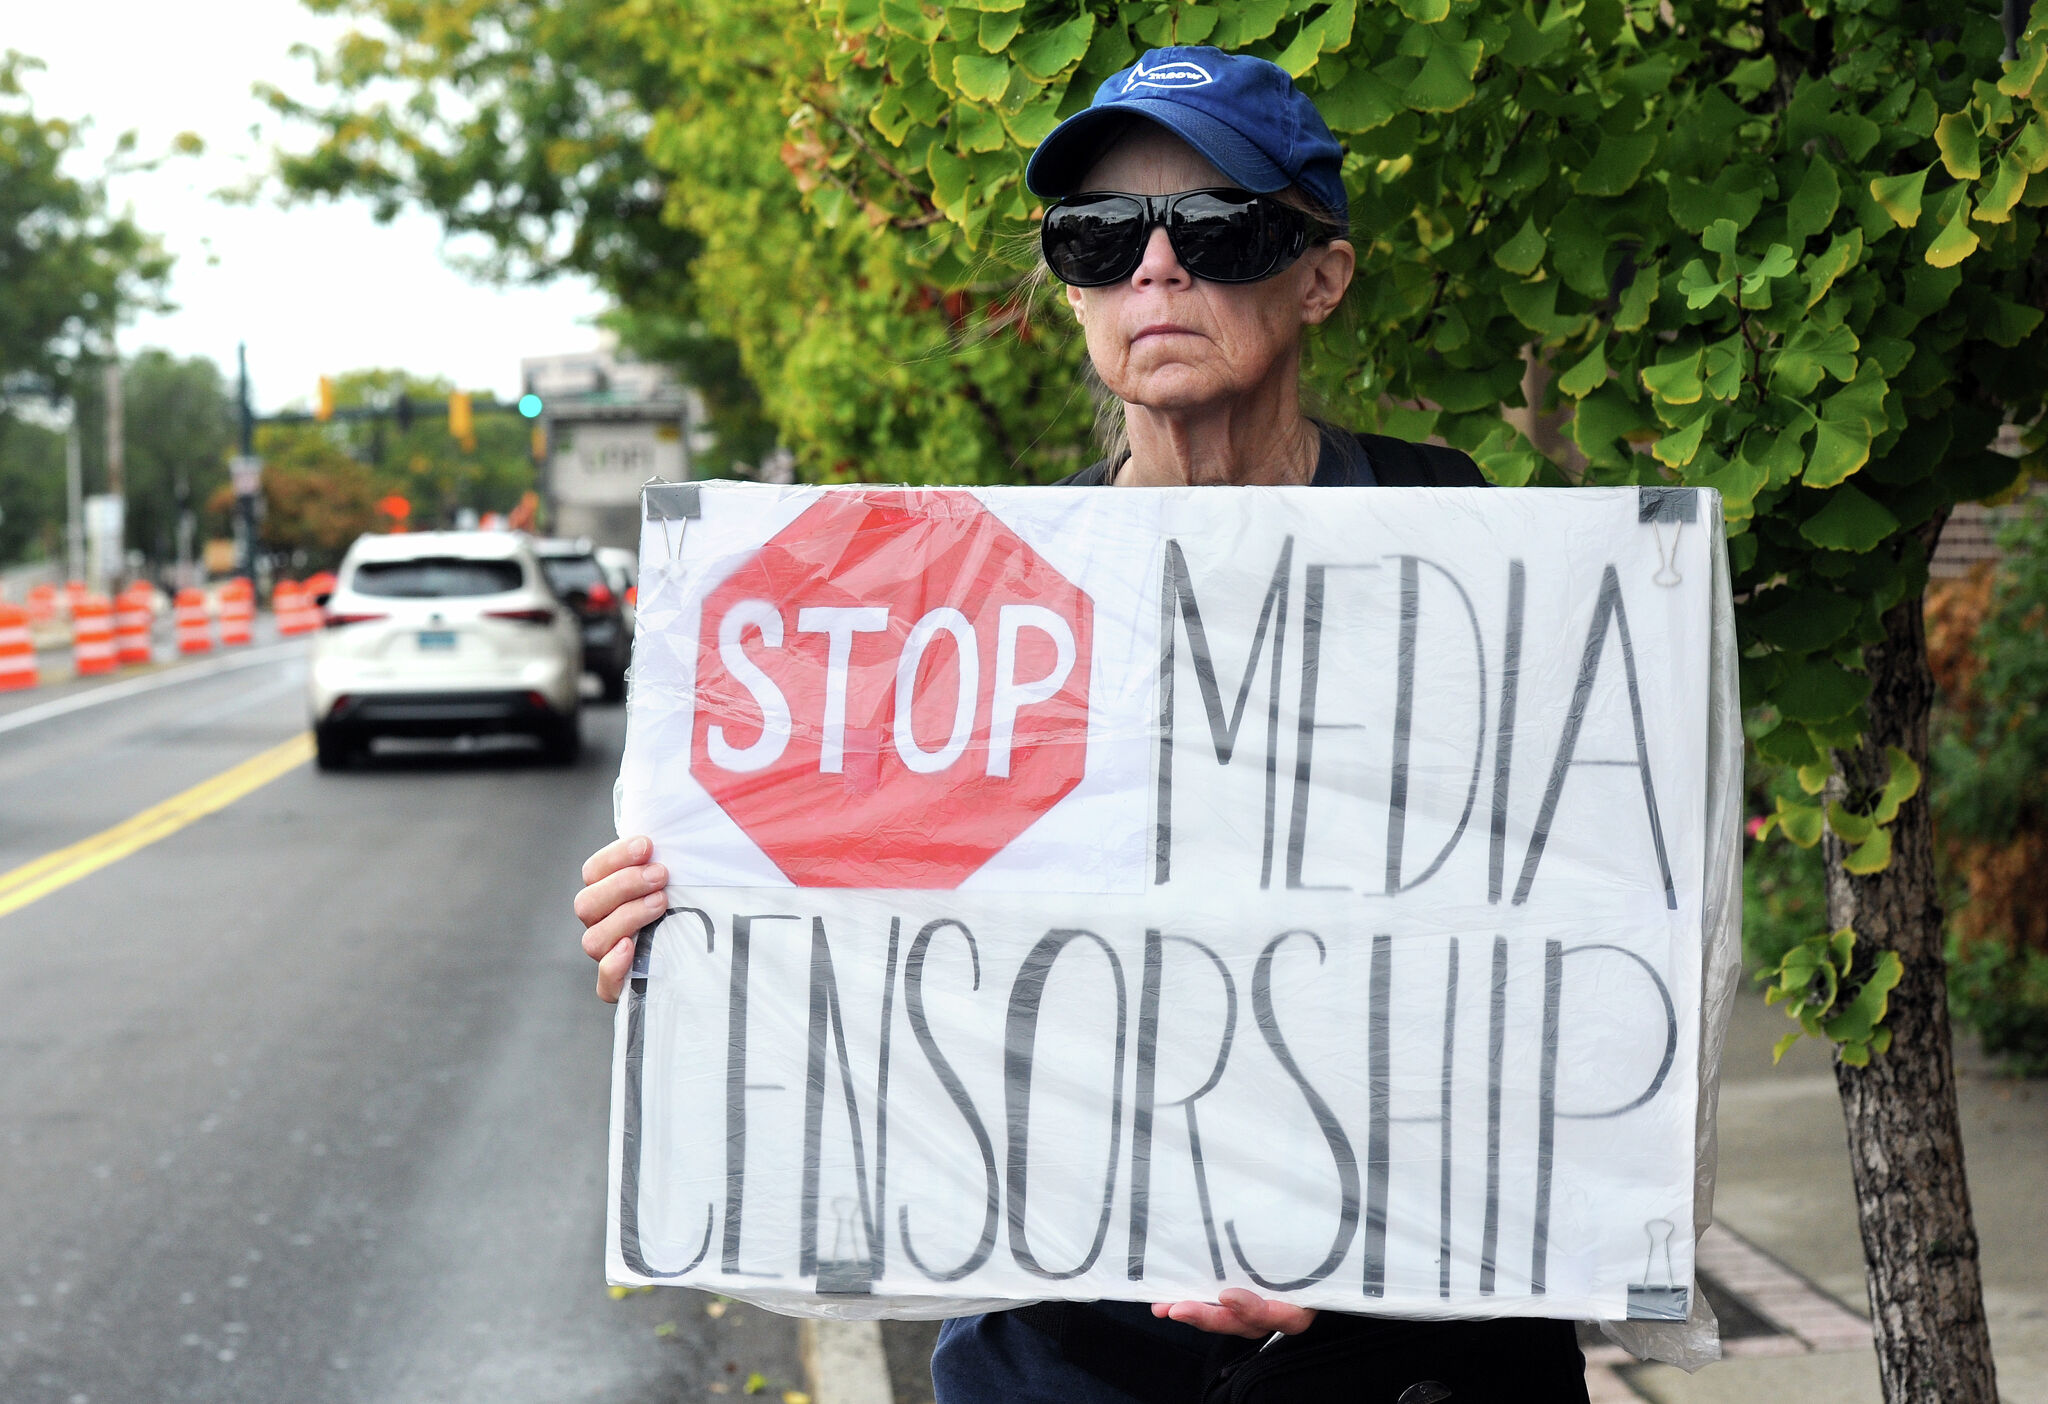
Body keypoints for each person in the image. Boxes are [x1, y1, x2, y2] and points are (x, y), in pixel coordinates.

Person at [575, 45, 1591, 1404]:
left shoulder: (1464, 540)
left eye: (1217, 229)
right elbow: (879, 939)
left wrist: (1371, 1245)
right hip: (1075, 1338)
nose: (1154, 271)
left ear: (1322, 275)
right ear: (1070, 290)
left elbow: (1563, 941)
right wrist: (689, 930)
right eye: (1100, 239)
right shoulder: (985, 597)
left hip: (1412, 1324)